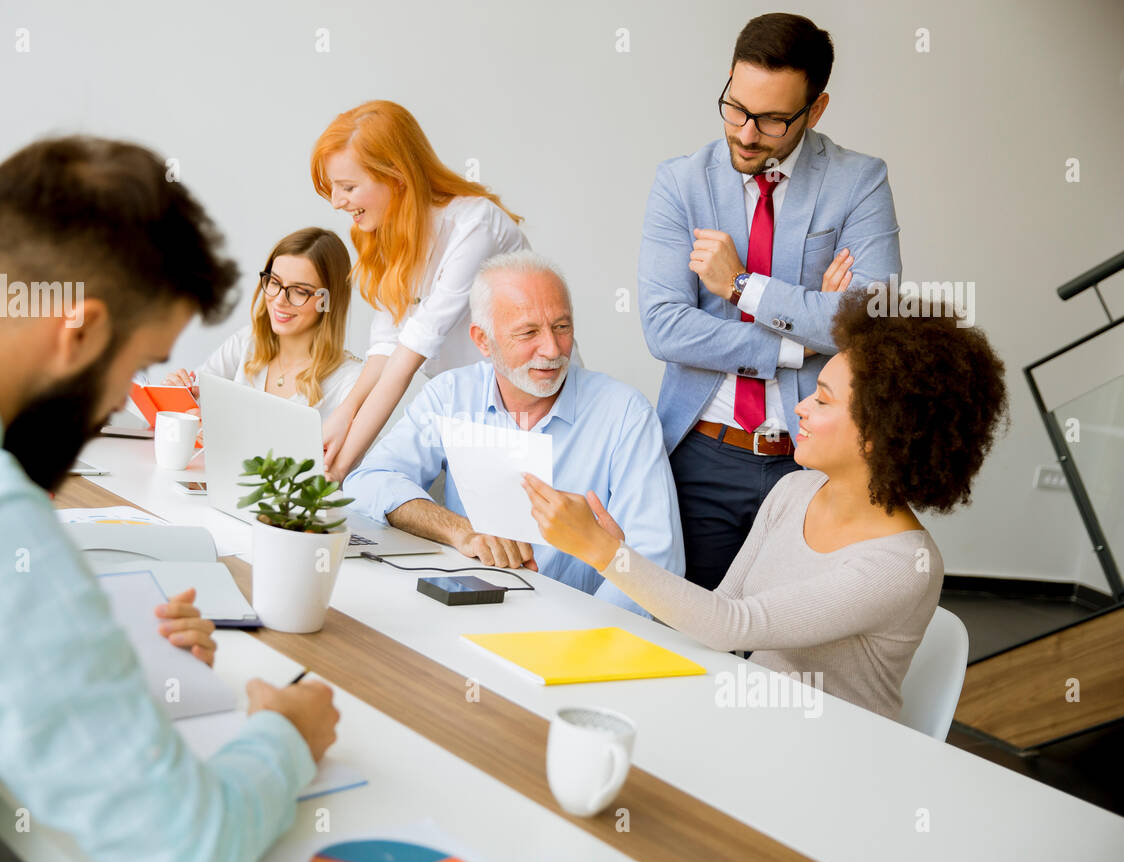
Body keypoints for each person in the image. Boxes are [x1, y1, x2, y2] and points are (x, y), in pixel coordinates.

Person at [0, 136, 340, 862]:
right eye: (138, 366)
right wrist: (286, 734)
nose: (119, 399)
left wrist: (84, 640)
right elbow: (185, 845)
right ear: (80, 331)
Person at [524, 290, 1009, 720]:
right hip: (756, 727)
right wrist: (614, 552)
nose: (799, 407)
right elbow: (724, 616)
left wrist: (604, 553)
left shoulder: (904, 566)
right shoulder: (794, 491)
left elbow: (733, 625)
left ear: (879, 433)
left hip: (837, 763)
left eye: (821, 400)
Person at [639, 12, 902, 592]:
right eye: (735, 106)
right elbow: (665, 329)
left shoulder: (859, 183)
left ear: (816, 109)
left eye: (773, 119)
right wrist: (800, 335)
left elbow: (872, 321)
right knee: (693, 637)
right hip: (701, 456)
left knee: (786, 650)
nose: (746, 133)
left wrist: (741, 287)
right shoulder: (681, 185)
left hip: (814, 462)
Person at [344, 251, 683, 617]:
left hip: (578, 630)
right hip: (467, 612)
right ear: (483, 341)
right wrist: (461, 531)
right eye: (528, 333)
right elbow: (368, 482)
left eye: (562, 327)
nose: (552, 350)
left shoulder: (626, 414)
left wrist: (584, 638)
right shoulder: (451, 395)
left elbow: (658, 560)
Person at [311, 100, 533, 481]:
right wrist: (340, 418)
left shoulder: (474, 225)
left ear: (396, 176)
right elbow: (384, 350)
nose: (336, 201)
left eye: (348, 187)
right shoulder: (391, 238)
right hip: (473, 414)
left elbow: (408, 358)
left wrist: (336, 471)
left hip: (532, 411)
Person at [161, 227, 362, 420]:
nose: (280, 300)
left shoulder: (350, 380)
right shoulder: (247, 343)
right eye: (274, 282)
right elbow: (186, 407)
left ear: (327, 300)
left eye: (300, 291)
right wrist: (175, 396)